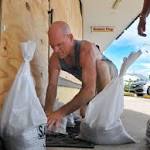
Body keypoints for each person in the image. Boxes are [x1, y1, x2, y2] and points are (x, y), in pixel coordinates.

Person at [44, 21, 118, 129]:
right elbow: (52, 86)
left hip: (109, 74)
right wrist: (47, 113)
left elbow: (89, 91)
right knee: (84, 114)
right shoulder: (55, 58)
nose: (56, 50)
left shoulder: (86, 50)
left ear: (70, 37)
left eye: (59, 44)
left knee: (101, 67)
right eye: (52, 46)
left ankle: (107, 116)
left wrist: (60, 113)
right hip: (90, 80)